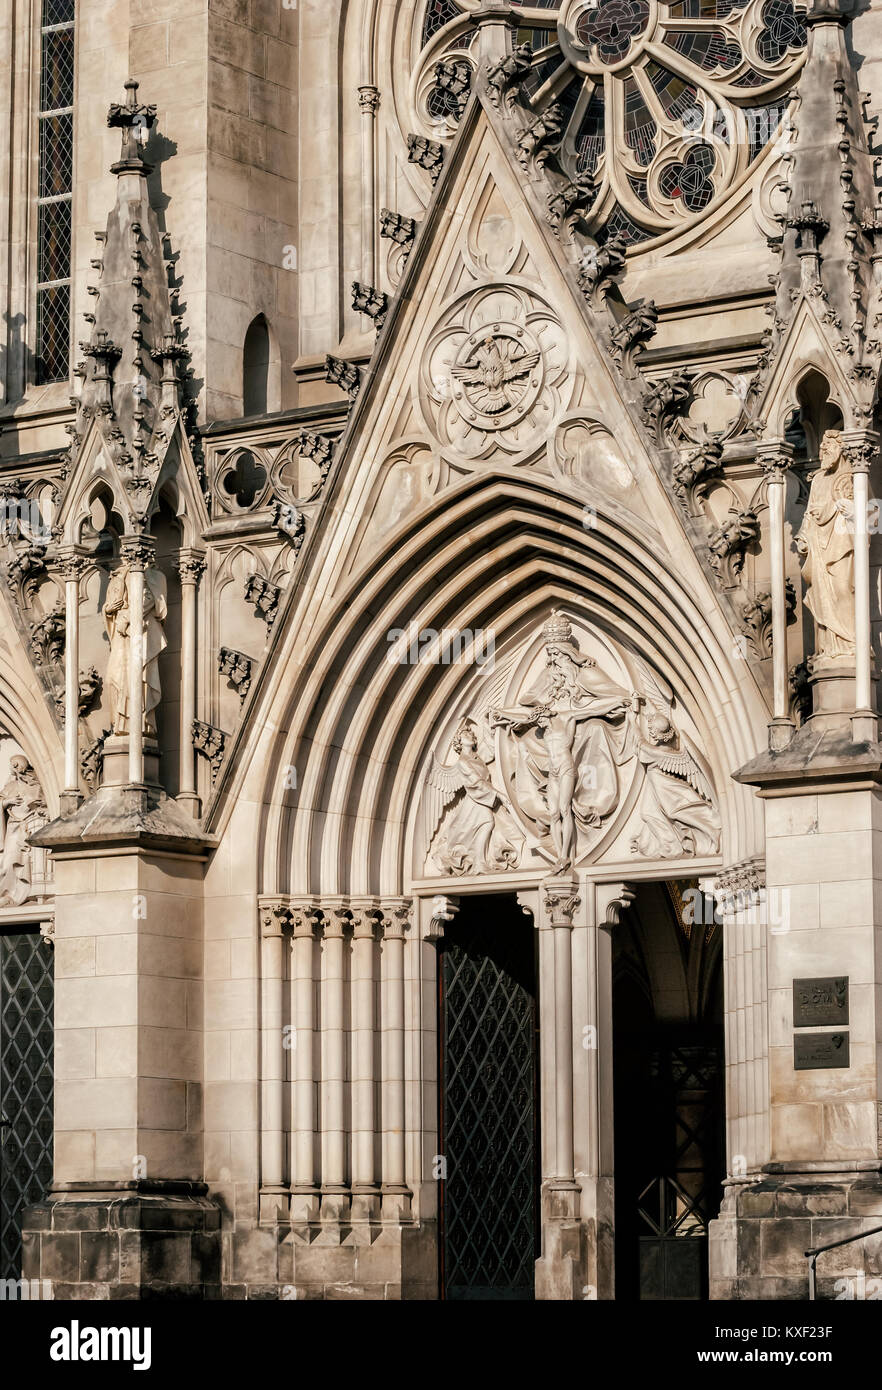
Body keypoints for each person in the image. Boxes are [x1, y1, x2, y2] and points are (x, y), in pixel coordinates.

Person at [795, 430, 855, 662]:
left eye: (828, 448)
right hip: (819, 545)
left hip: (842, 544)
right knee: (822, 597)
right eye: (821, 449)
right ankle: (831, 648)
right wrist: (802, 537)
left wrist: (854, 512)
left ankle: (850, 645)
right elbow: (809, 513)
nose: (823, 453)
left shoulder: (853, 475)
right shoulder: (819, 479)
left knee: (842, 591)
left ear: (840, 450)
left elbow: (874, 515)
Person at [105, 563, 168, 736]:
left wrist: (127, 618)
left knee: (136, 677)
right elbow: (110, 605)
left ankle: (139, 726)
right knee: (112, 679)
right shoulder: (117, 574)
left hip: (139, 631)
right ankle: (120, 725)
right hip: (121, 632)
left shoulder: (152, 575)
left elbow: (151, 598)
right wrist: (109, 610)